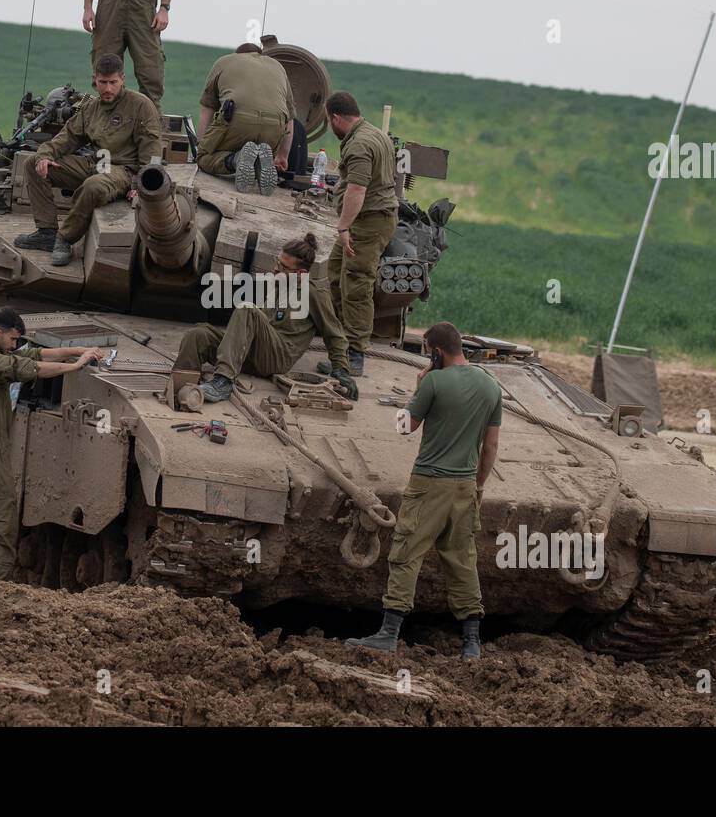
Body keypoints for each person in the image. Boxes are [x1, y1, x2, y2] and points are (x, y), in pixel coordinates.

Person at [345, 321, 501, 660]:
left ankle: (388, 635)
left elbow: (404, 427)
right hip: (465, 487)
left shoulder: (433, 381)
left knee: (406, 553)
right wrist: (478, 486)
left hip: (429, 483)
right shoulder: (491, 386)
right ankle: (471, 643)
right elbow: (490, 448)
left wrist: (419, 388)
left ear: (436, 351)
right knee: (462, 559)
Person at [0, 307, 103, 580]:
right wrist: (75, 366)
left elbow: (35, 354)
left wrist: (80, 350)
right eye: (12, 339)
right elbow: (29, 367)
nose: (15, 345)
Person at [14, 54, 161, 266]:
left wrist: (142, 184)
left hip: (123, 170)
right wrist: (45, 155)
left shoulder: (140, 106)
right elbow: (67, 137)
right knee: (32, 163)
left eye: (113, 82)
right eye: (103, 83)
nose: (108, 89)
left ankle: (65, 239)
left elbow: (152, 150)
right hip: (95, 163)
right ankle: (46, 232)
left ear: (122, 79)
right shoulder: (91, 108)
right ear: (95, 80)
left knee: (93, 186)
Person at [175, 233, 357, 402]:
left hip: (277, 358)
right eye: (277, 263)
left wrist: (341, 370)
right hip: (254, 352)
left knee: (247, 309)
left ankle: (223, 381)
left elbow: (334, 334)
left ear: (301, 274)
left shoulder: (313, 293)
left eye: (284, 267)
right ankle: (182, 385)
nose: (276, 269)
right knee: (198, 334)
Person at [317, 91, 398, 378]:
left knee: (357, 285)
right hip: (366, 219)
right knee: (336, 274)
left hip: (367, 221)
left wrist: (343, 226)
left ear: (336, 117)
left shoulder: (360, 145)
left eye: (329, 121)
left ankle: (354, 355)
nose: (330, 126)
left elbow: (357, 189)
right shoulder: (375, 134)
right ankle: (341, 344)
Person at [195, 43, 296, 194]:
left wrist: (201, 146)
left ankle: (235, 159)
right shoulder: (278, 66)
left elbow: (207, 110)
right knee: (262, 152)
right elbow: (290, 119)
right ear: (260, 54)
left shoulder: (224, 61)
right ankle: (258, 163)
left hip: (237, 120)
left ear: (237, 54)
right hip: (274, 125)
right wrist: (282, 156)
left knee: (203, 158)